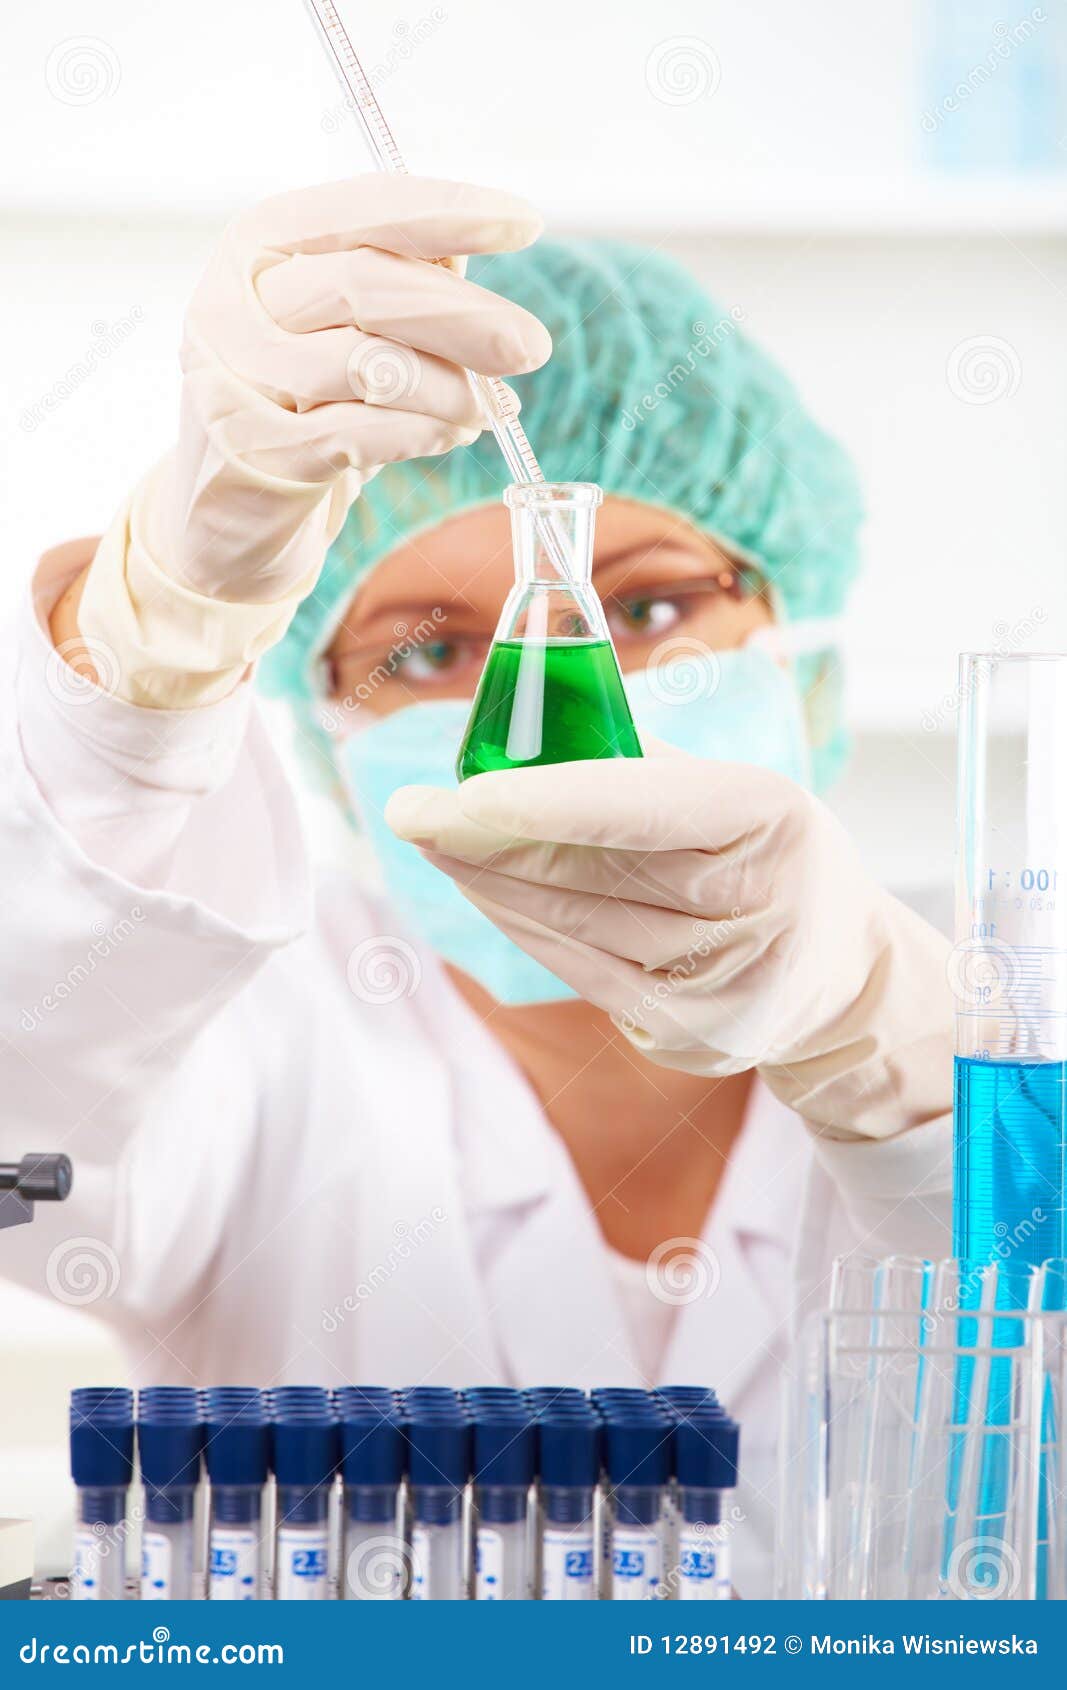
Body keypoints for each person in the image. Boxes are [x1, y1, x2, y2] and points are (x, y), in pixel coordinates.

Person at [1, 177, 953, 1593]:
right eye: (431, 646)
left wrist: (918, 1099)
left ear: (793, 639)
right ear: (327, 734)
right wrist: (152, 640)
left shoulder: (964, 1020)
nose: (580, 717)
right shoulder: (240, 1030)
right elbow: (31, 1109)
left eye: (643, 606)